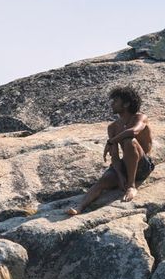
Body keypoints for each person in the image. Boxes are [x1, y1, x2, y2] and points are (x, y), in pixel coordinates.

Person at [66, 86, 154, 215]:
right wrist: (119, 175)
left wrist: (111, 141)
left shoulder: (140, 117)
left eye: (115, 101)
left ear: (126, 104)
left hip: (143, 165)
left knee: (130, 141)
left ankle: (131, 186)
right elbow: (115, 156)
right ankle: (79, 207)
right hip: (125, 165)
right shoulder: (112, 127)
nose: (112, 104)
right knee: (103, 181)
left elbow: (134, 131)